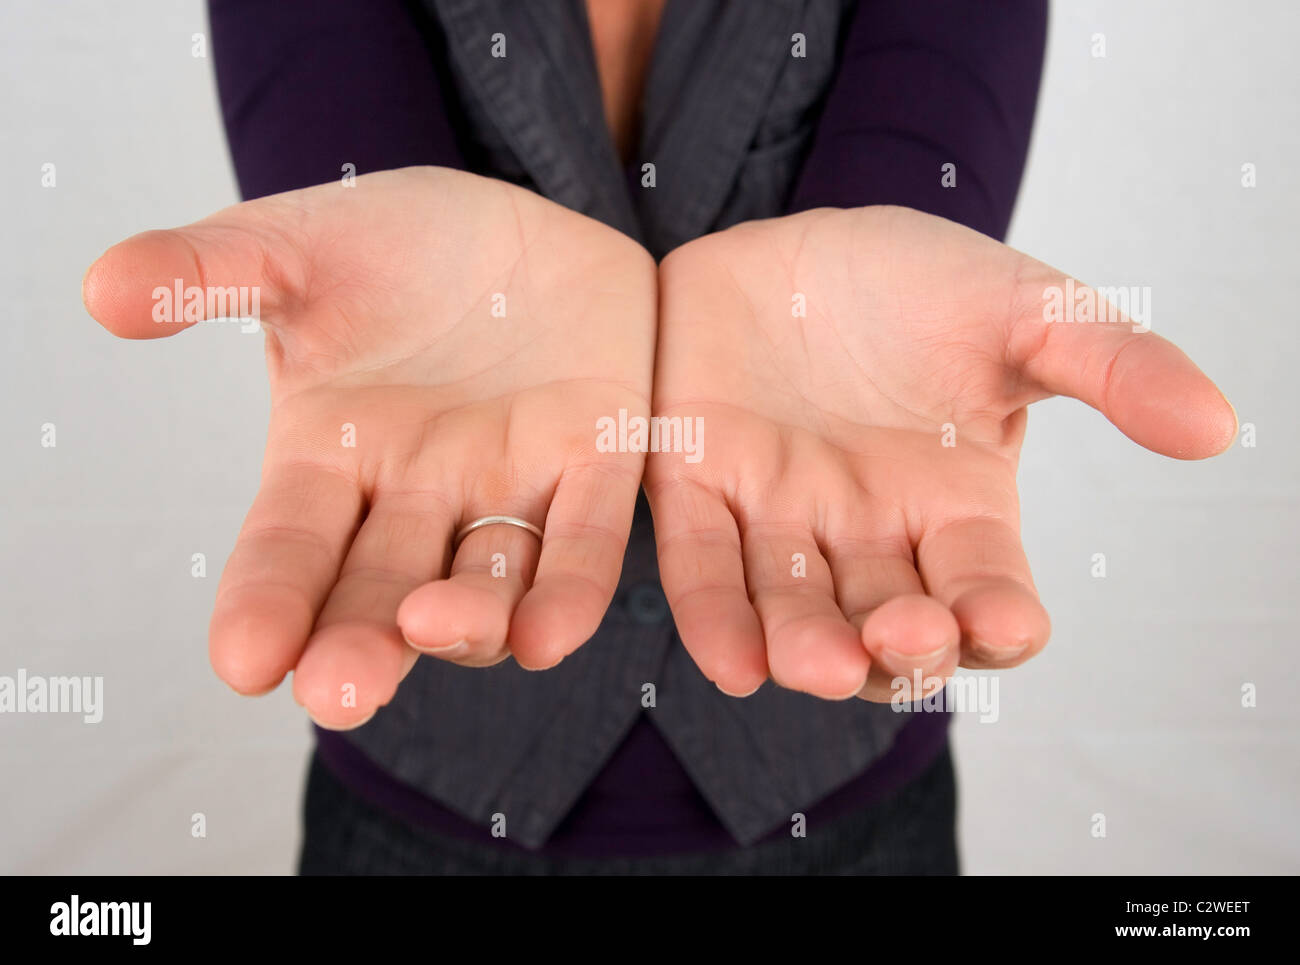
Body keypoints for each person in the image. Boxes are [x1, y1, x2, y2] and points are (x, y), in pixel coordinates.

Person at [81, 0, 1235, 874]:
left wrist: (877, 260)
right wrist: (402, 255)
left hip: (836, 784)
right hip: (424, 777)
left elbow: (938, 77)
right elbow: (331, 122)